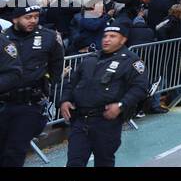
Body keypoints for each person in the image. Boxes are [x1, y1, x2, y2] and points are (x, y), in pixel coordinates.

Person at [60, 22, 150, 167]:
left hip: (106, 122)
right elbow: (72, 83)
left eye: (113, 36)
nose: (107, 39)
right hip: (81, 120)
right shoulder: (91, 59)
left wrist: (121, 105)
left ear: (123, 40)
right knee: (74, 162)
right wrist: (64, 100)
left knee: (104, 162)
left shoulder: (131, 61)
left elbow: (140, 88)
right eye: (105, 36)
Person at [1, 4, 61, 167]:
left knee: (16, 150)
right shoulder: (4, 37)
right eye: (28, 17)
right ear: (15, 19)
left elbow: (57, 66)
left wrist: (47, 88)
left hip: (30, 104)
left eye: (36, 16)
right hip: (5, 102)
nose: (33, 20)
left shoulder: (49, 37)